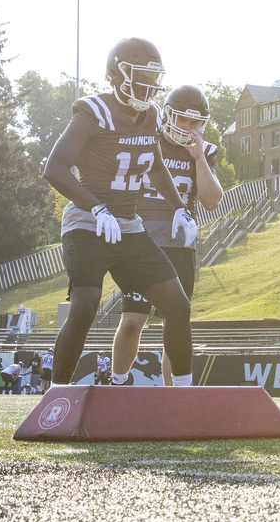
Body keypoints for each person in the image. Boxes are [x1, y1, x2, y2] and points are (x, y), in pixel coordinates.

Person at [43, 39, 197, 387]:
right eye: (142, 75)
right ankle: (57, 395)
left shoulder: (151, 115)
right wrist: (95, 207)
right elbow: (54, 168)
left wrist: (180, 209)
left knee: (178, 306)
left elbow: (155, 165)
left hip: (129, 226)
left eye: (153, 76)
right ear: (120, 74)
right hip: (88, 223)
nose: (150, 84)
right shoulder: (92, 112)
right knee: (85, 307)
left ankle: (185, 397)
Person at [108, 84, 224, 386]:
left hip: (178, 246)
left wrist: (198, 159)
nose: (189, 127)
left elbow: (211, 201)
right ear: (169, 114)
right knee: (133, 319)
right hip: (141, 241)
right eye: (184, 120)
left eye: (195, 122)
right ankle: (117, 383)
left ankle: (175, 400)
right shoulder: (147, 139)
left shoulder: (205, 151)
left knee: (176, 321)